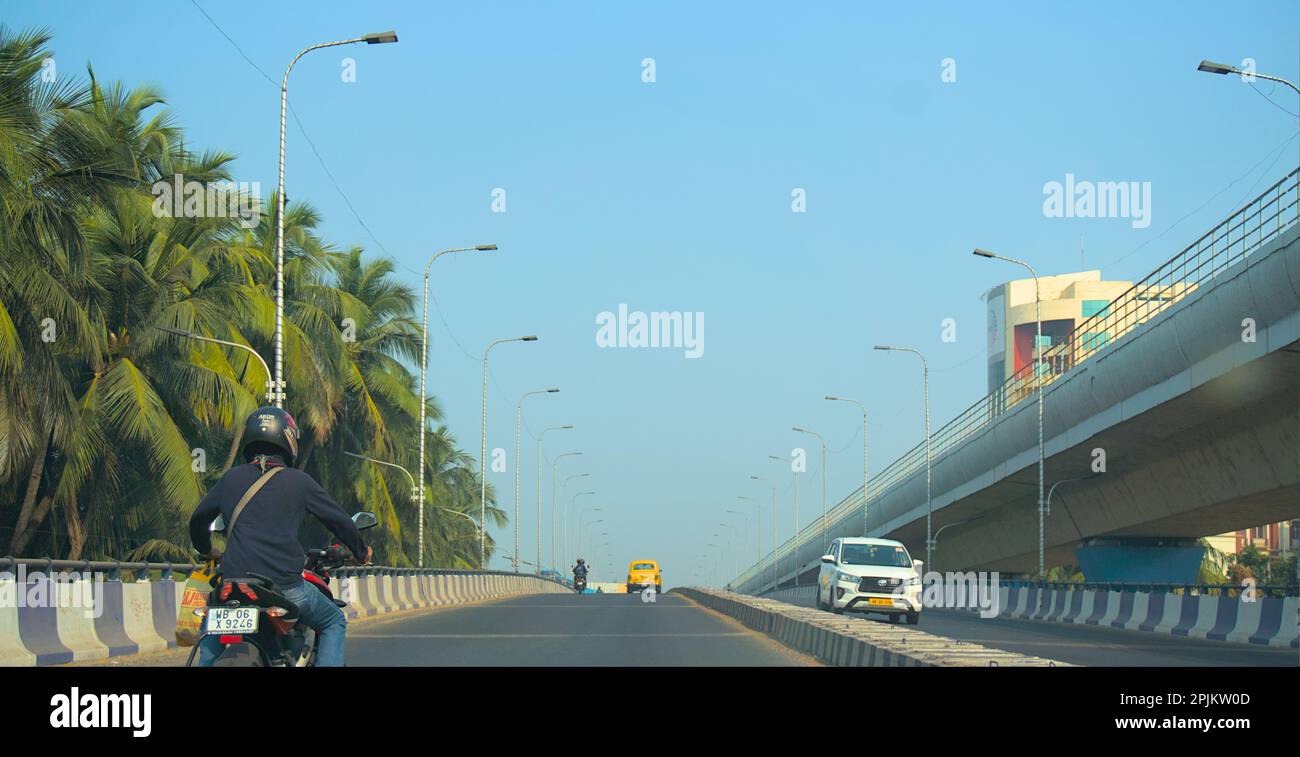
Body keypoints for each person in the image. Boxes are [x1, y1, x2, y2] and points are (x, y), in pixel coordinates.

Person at [188, 406, 372, 666]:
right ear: (288, 439)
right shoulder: (299, 481)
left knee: (210, 630)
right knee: (333, 621)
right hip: (283, 587)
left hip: (231, 584)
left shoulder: (230, 479)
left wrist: (206, 550)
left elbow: (198, 521)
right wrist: (361, 552)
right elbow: (339, 520)